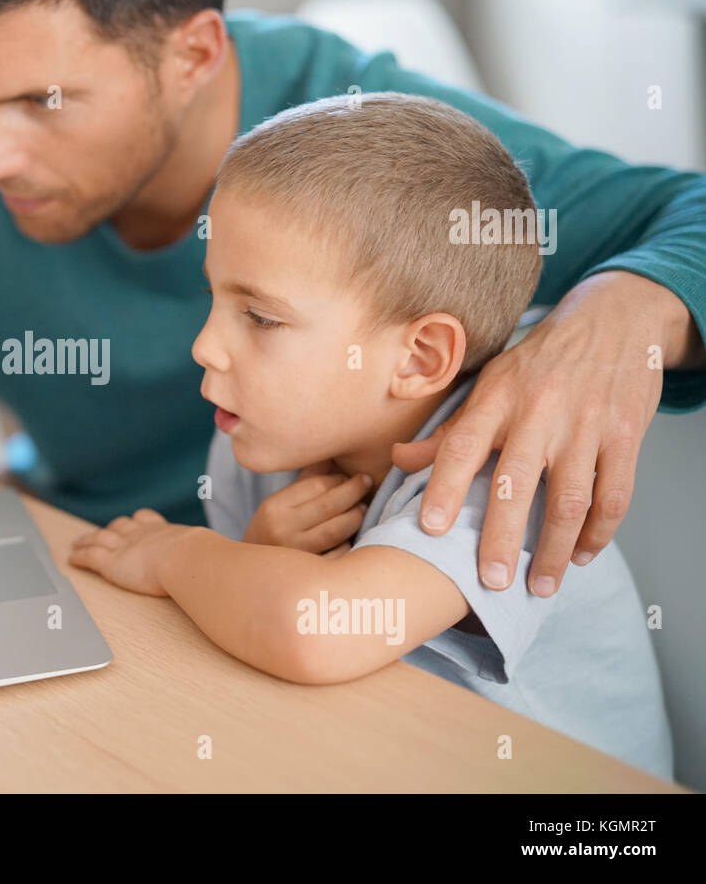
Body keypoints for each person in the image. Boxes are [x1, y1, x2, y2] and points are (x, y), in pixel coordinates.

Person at [0, 0, 706, 599]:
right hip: (94, 578)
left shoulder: (370, 137)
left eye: (41, 103)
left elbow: (684, 211)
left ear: (193, 54)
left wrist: (617, 313)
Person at [68, 92, 674, 779]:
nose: (206, 346)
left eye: (261, 318)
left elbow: (321, 630)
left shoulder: (499, 477)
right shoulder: (261, 440)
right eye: (214, 299)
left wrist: (177, 554)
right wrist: (259, 558)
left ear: (418, 359)